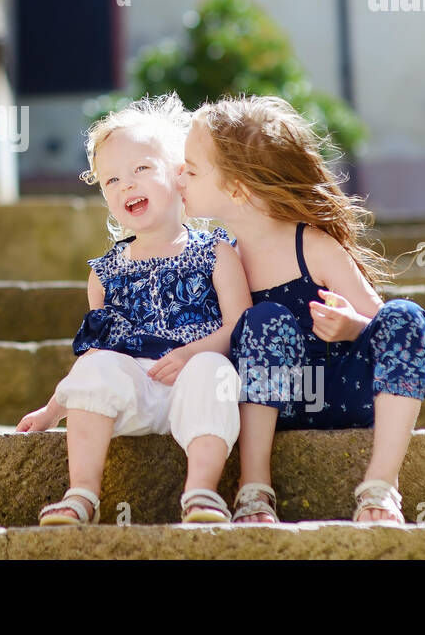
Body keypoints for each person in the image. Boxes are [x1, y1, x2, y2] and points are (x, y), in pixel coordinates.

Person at [180, 93, 425, 524]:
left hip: (344, 392)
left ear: (237, 189)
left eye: (188, 170)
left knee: (408, 316)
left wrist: (353, 328)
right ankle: (254, 489)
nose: (177, 178)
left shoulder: (312, 246)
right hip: (273, 405)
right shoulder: (223, 261)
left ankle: (381, 487)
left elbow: (382, 326)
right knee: (263, 321)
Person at [17, 92, 251, 524]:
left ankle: (200, 493)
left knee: (215, 372)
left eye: (141, 169)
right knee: (99, 365)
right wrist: (53, 409)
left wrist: (192, 353)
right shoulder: (104, 273)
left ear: (180, 177)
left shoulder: (216, 253)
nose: (126, 184)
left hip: (193, 385)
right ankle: (81, 494)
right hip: (133, 396)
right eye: (111, 180)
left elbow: (240, 326)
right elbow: (95, 356)